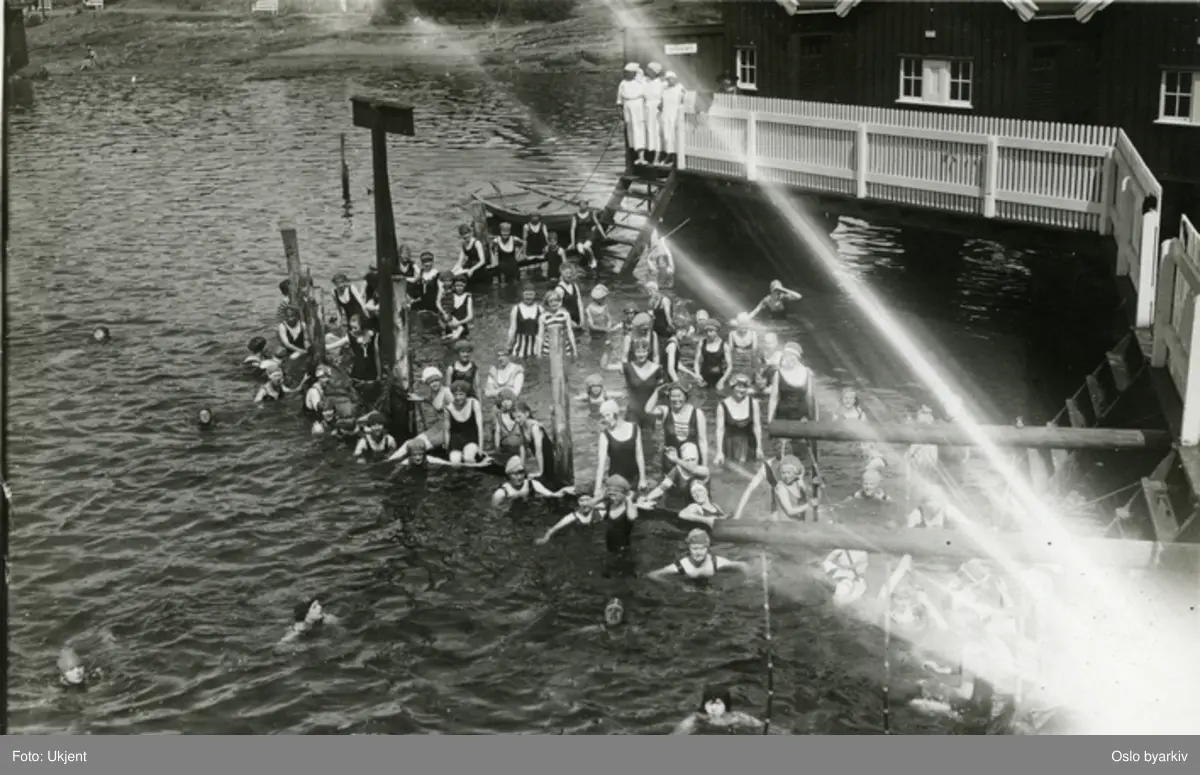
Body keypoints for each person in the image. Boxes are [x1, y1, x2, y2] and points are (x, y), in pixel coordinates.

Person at [648, 529, 751, 582]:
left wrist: (747, 580)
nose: (699, 552)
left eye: (702, 548)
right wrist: (673, 585)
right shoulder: (682, 566)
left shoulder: (715, 562)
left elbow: (743, 565)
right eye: (695, 548)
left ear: (707, 548)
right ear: (689, 548)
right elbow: (652, 575)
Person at [646, 382, 709, 469]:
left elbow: (703, 441)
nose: (676, 399)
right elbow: (648, 410)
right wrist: (657, 392)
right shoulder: (666, 411)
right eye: (673, 396)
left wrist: (704, 467)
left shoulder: (697, 414)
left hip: (691, 461)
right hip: (670, 461)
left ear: (685, 396)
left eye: (679, 396)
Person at [595, 399, 646, 493]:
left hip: (634, 477)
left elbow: (639, 455)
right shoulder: (605, 435)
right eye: (604, 416)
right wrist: (597, 488)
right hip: (615, 480)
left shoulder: (634, 428)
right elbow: (601, 464)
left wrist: (643, 479)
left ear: (616, 413)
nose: (606, 419)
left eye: (608, 415)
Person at [714, 374, 764, 466]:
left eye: (744, 387)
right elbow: (720, 430)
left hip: (749, 446)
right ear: (732, 387)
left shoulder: (753, 403)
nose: (741, 390)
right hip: (730, 447)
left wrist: (759, 447)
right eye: (739, 387)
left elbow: (757, 426)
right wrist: (719, 452)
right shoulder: (722, 406)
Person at [672, 686, 766, 734]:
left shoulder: (736, 717)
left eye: (718, 704)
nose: (713, 708)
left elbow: (763, 727)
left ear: (726, 705)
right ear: (704, 705)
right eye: (710, 704)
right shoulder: (695, 720)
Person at [491, 456, 574, 508]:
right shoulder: (501, 493)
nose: (519, 477)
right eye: (515, 474)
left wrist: (564, 490)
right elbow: (495, 512)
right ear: (508, 475)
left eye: (521, 473)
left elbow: (551, 495)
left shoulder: (532, 484)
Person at [767, 343, 814, 424]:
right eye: (787, 355)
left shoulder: (807, 372)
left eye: (793, 356)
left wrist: (811, 417)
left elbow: (809, 397)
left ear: (798, 357)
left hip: (802, 417)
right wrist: (769, 419)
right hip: (783, 415)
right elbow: (773, 398)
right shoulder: (778, 373)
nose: (789, 358)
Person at [621, 343, 663, 429]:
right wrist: (608, 349)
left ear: (648, 352)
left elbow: (660, 390)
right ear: (634, 353)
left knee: (649, 440)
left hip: (650, 411)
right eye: (638, 352)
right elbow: (605, 366)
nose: (641, 355)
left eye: (644, 351)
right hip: (633, 412)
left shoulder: (656, 369)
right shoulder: (628, 367)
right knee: (631, 438)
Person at [444, 380, 485, 464]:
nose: (458, 397)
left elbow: (480, 427)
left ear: (466, 394)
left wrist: (481, 448)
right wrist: (447, 450)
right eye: (456, 395)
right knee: (455, 461)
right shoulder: (449, 409)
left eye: (461, 394)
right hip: (456, 439)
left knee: (468, 457)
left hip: (471, 438)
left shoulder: (474, 403)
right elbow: (446, 431)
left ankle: (471, 475)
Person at [597, 474, 640, 554]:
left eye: (616, 495)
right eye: (610, 495)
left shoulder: (628, 508)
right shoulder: (609, 505)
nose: (613, 498)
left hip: (623, 549)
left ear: (624, 495)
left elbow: (633, 517)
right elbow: (588, 505)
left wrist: (629, 499)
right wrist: (602, 496)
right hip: (609, 547)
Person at [617, 62, 648, 166]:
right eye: (625, 72)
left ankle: (642, 156)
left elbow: (648, 96)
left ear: (634, 73)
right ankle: (634, 155)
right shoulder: (623, 83)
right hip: (627, 106)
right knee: (630, 131)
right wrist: (620, 111)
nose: (626, 74)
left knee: (639, 130)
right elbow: (619, 100)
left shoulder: (642, 82)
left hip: (638, 106)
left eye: (628, 72)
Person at [772, 455, 814, 522]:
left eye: (789, 472)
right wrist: (809, 505)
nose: (786, 476)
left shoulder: (797, 484)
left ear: (795, 473)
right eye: (783, 473)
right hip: (786, 524)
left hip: (798, 523)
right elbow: (790, 511)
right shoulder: (781, 488)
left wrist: (803, 485)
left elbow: (810, 497)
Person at [539, 289, 577, 358]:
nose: (554, 303)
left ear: (559, 301)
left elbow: (570, 332)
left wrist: (574, 349)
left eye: (556, 300)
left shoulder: (565, 314)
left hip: (564, 348)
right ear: (547, 303)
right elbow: (540, 335)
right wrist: (538, 352)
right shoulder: (543, 317)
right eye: (551, 301)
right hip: (548, 349)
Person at [508, 285, 543, 359]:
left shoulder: (540, 309)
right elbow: (512, 329)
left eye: (531, 294)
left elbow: (543, 330)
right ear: (522, 295)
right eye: (526, 294)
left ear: (534, 295)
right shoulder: (516, 309)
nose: (528, 297)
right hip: (519, 347)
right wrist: (509, 344)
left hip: (536, 347)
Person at [694, 318, 730, 389]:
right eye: (706, 331)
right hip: (704, 376)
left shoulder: (724, 345)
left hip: (718, 377)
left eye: (711, 331)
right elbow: (696, 362)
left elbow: (730, 366)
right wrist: (697, 375)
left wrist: (722, 380)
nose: (708, 334)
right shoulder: (702, 343)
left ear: (717, 331)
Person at [660, 71, 686, 167]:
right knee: (667, 136)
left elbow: (685, 101)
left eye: (670, 78)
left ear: (675, 78)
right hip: (666, 115)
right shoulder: (665, 89)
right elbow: (662, 101)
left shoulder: (680, 88)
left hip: (676, 115)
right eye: (667, 79)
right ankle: (668, 155)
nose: (669, 81)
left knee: (675, 137)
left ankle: (675, 157)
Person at [643, 61, 667, 166]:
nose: (646, 71)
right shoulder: (645, 81)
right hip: (647, 109)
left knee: (657, 132)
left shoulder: (662, 83)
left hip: (657, 109)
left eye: (649, 70)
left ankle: (657, 158)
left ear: (654, 71)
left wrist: (662, 103)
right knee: (649, 132)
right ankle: (649, 156)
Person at [569, 204, 605, 271]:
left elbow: (598, 224)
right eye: (580, 206)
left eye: (584, 206)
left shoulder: (591, 214)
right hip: (581, 236)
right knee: (580, 250)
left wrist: (603, 235)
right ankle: (591, 259)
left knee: (586, 247)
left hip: (590, 235)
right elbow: (572, 229)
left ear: (587, 206)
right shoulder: (575, 216)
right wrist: (572, 243)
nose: (582, 207)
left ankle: (593, 260)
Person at [493, 390, 525, 461]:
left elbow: (524, 429)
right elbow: (497, 433)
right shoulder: (499, 416)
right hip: (506, 447)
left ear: (512, 400)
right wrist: (497, 447)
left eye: (508, 399)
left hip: (519, 447)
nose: (505, 402)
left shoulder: (517, 413)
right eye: (503, 400)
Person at [440, 275, 474, 341]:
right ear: (454, 285)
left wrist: (458, 323)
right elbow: (444, 310)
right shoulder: (450, 295)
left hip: (462, 326)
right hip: (450, 326)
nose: (459, 288)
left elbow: (470, 316)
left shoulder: (468, 297)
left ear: (465, 285)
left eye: (461, 285)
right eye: (457, 285)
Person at [727, 313, 758, 378]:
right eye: (741, 324)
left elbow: (754, 352)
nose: (743, 327)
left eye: (746, 324)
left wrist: (754, 367)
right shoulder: (732, 334)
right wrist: (729, 366)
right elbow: (729, 351)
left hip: (748, 363)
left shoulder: (753, 334)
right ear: (737, 325)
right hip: (736, 362)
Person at [555, 264, 584, 329]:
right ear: (562, 273)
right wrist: (569, 321)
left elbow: (579, 303)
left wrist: (582, 319)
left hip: (577, 318)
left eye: (570, 273)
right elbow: (558, 308)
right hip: (566, 320)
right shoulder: (559, 289)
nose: (569, 275)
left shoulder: (575, 286)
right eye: (566, 273)